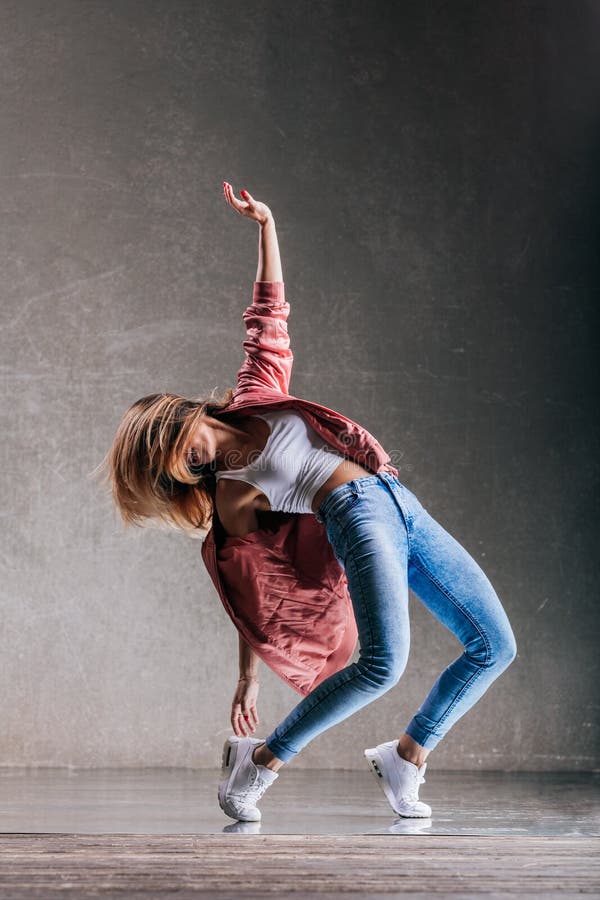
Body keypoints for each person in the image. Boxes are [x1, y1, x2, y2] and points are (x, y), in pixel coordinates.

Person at [97, 182, 518, 825]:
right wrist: (251, 677)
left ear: (173, 423)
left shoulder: (256, 395)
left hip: (397, 499)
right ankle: (260, 764)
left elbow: (268, 316)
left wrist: (265, 224)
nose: (177, 475)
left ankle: (407, 755)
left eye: (166, 460)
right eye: (165, 475)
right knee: (382, 665)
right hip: (354, 515)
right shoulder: (232, 493)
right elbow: (252, 590)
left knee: (493, 644)